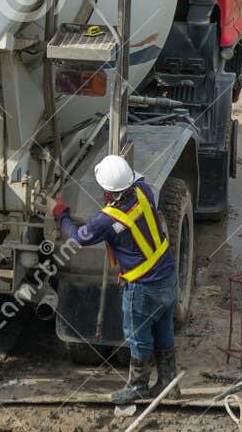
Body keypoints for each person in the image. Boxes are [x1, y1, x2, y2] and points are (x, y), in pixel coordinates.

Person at [53, 154, 177, 405]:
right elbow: (136, 177)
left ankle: (138, 386)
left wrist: (61, 214)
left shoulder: (107, 219)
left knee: (138, 336)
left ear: (108, 191)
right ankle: (168, 383)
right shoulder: (143, 191)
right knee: (164, 328)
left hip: (143, 287)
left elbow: (79, 237)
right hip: (167, 275)